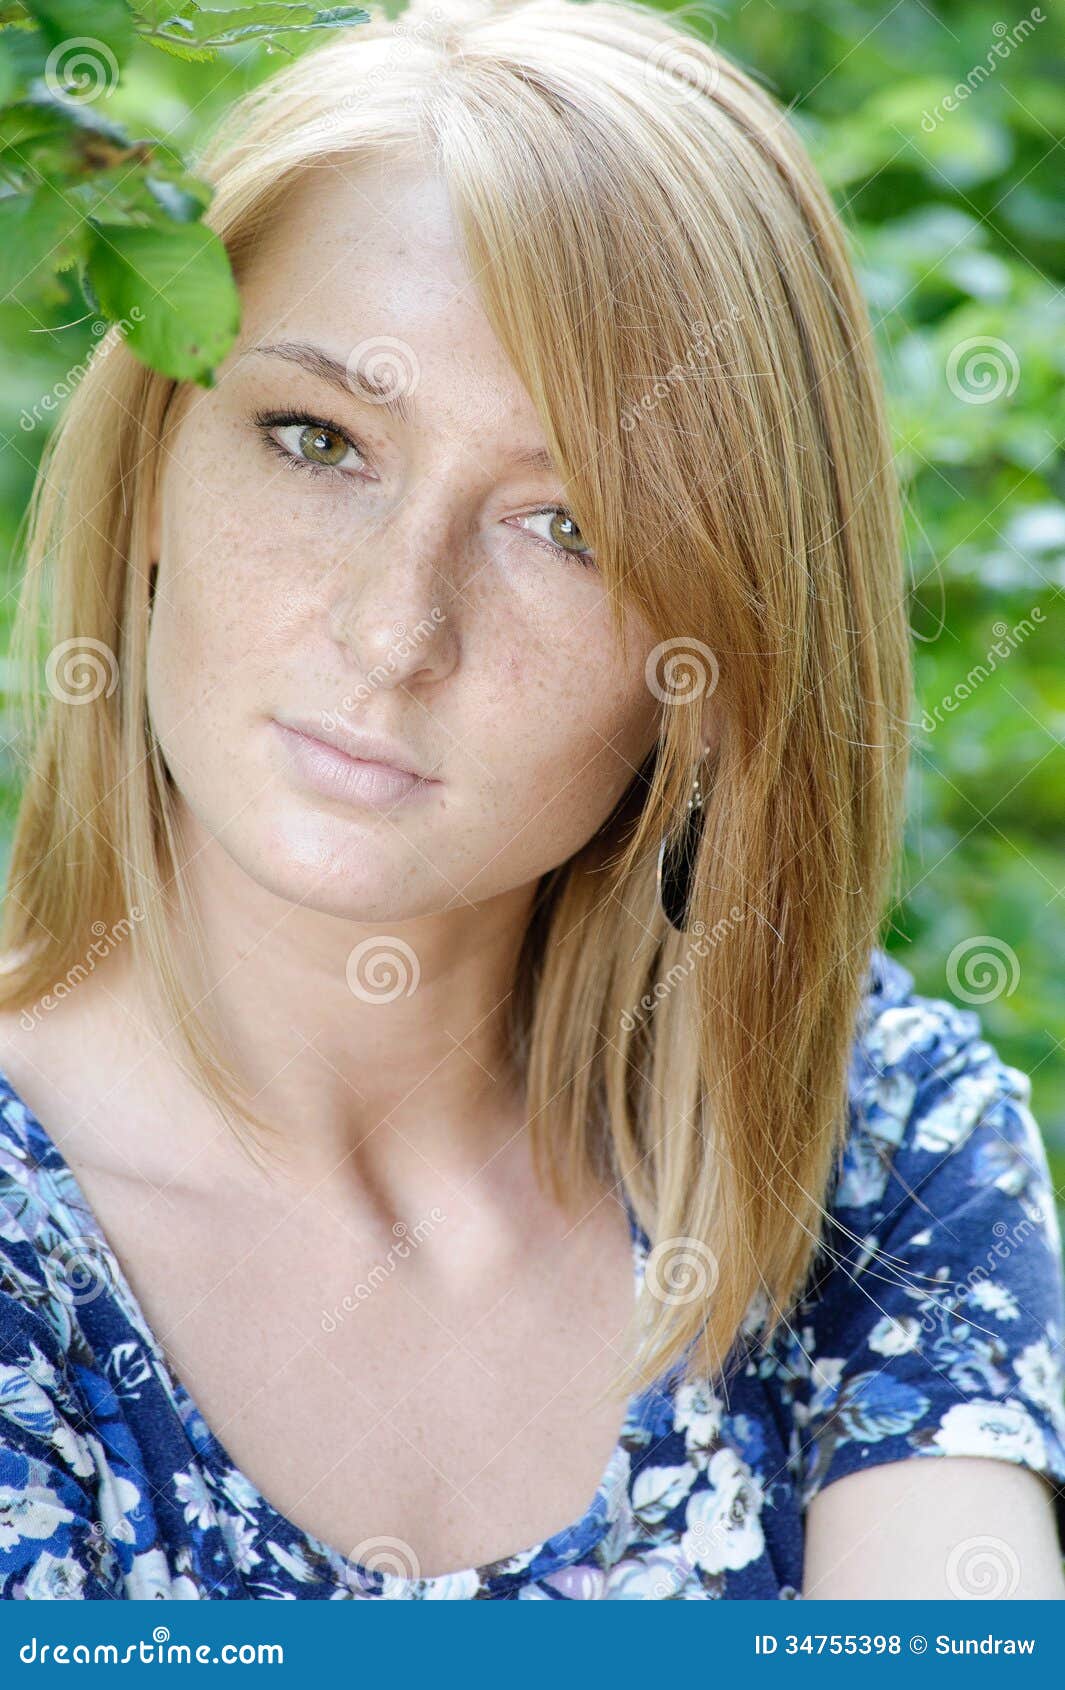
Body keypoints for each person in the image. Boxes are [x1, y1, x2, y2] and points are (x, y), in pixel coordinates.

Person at [0, 0, 1062, 1601]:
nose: (393, 629)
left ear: (722, 651)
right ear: (151, 464)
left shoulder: (861, 1140)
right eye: (317, 439)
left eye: (569, 527)